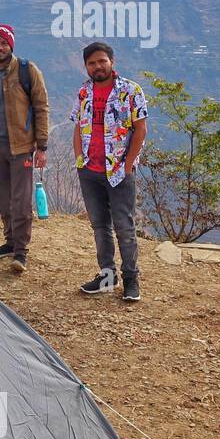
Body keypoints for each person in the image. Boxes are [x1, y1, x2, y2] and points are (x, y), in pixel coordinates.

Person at [71, 41, 149, 302]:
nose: (97, 67)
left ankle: (131, 279)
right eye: (92, 63)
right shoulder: (84, 92)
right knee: (99, 227)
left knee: (124, 226)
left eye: (101, 61)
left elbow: (141, 129)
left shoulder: (130, 90)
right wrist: (79, 158)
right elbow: (77, 125)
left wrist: (128, 165)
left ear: (112, 61)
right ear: (86, 67)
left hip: (118, 172)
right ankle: (107, 277)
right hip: (89, 171)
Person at [0, 24, 50, 274]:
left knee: (21, 200)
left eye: (3, 43)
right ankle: (9, 241)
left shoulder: (27, 70)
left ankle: (21, 251)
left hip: (22, 147)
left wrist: (42, 146)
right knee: (2, 198)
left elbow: (41, 107)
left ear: (11, 45)